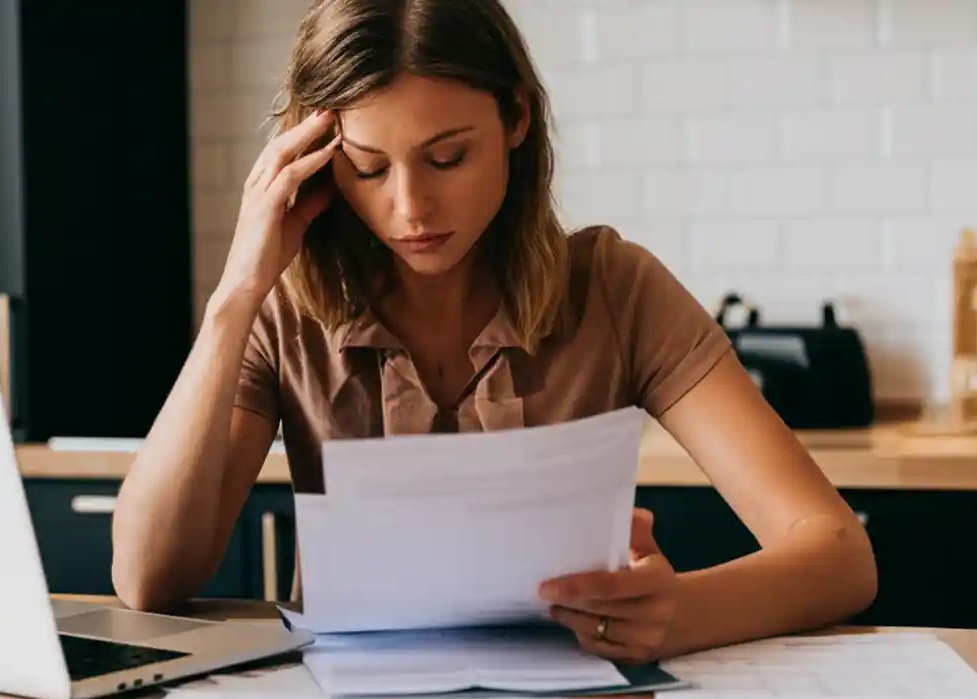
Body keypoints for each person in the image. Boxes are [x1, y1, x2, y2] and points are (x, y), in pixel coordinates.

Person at [112, 0, 877, 663]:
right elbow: (149, 580)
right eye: (369, 169)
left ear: (515, 118)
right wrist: (235, 295)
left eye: (447, 157)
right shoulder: (286, 311)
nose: (409, 207)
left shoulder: (616, 287)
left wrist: (678, 613)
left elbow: (839, 557)